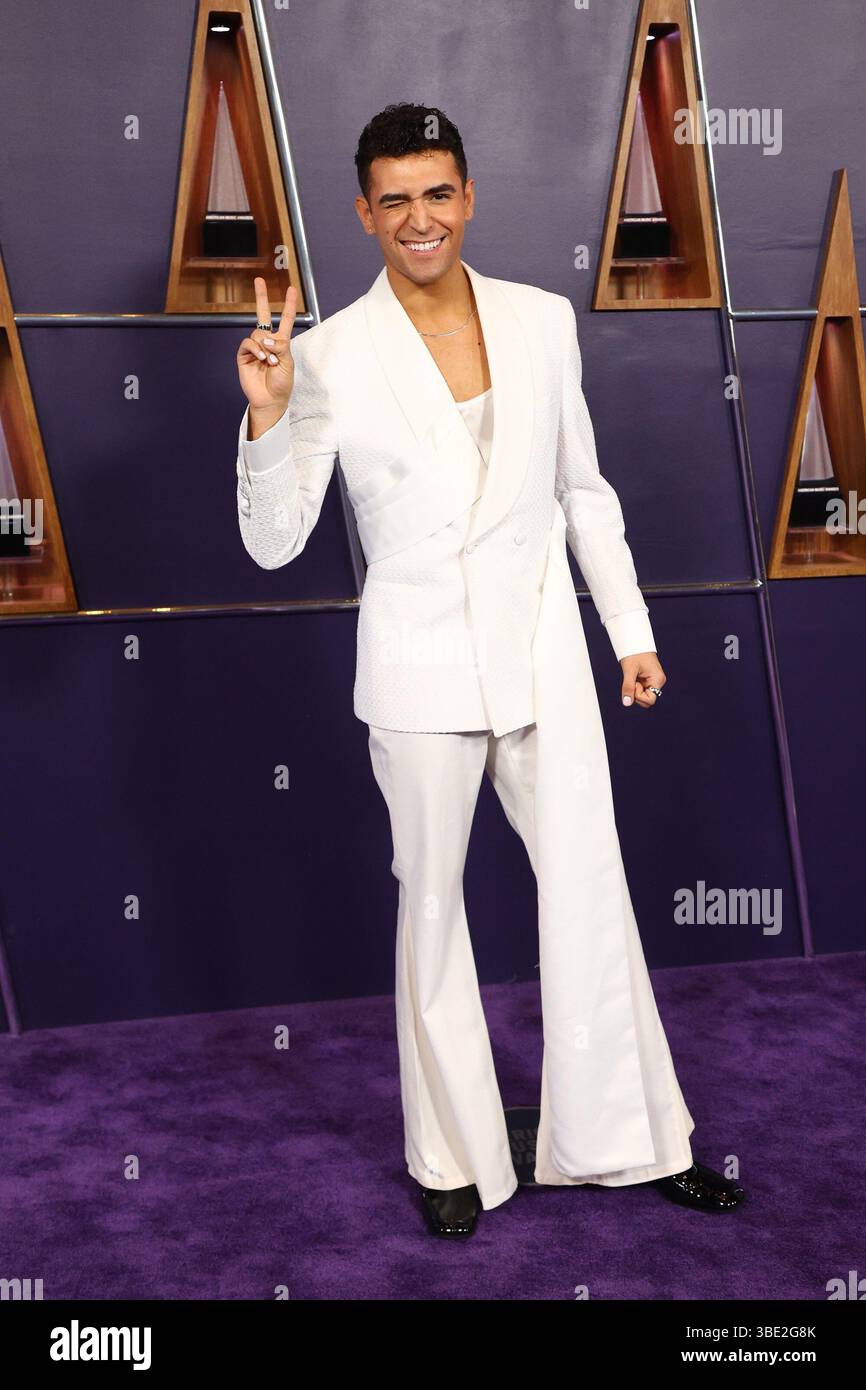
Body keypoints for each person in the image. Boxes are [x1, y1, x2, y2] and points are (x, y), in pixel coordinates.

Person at [234, 103, 746, 1238]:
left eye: (439, 193)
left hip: (545, 659)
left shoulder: (539, 319)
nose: (421, 218)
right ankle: (451, 1156)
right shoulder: (318, 356)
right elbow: (274, 538)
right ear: (364, 213)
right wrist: (267, 419)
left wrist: (629, 632)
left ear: (468, 197)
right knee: (432, 915)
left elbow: (580, 492)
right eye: (395, 199)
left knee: (590, 893)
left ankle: (631, 1138)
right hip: (416, 675)